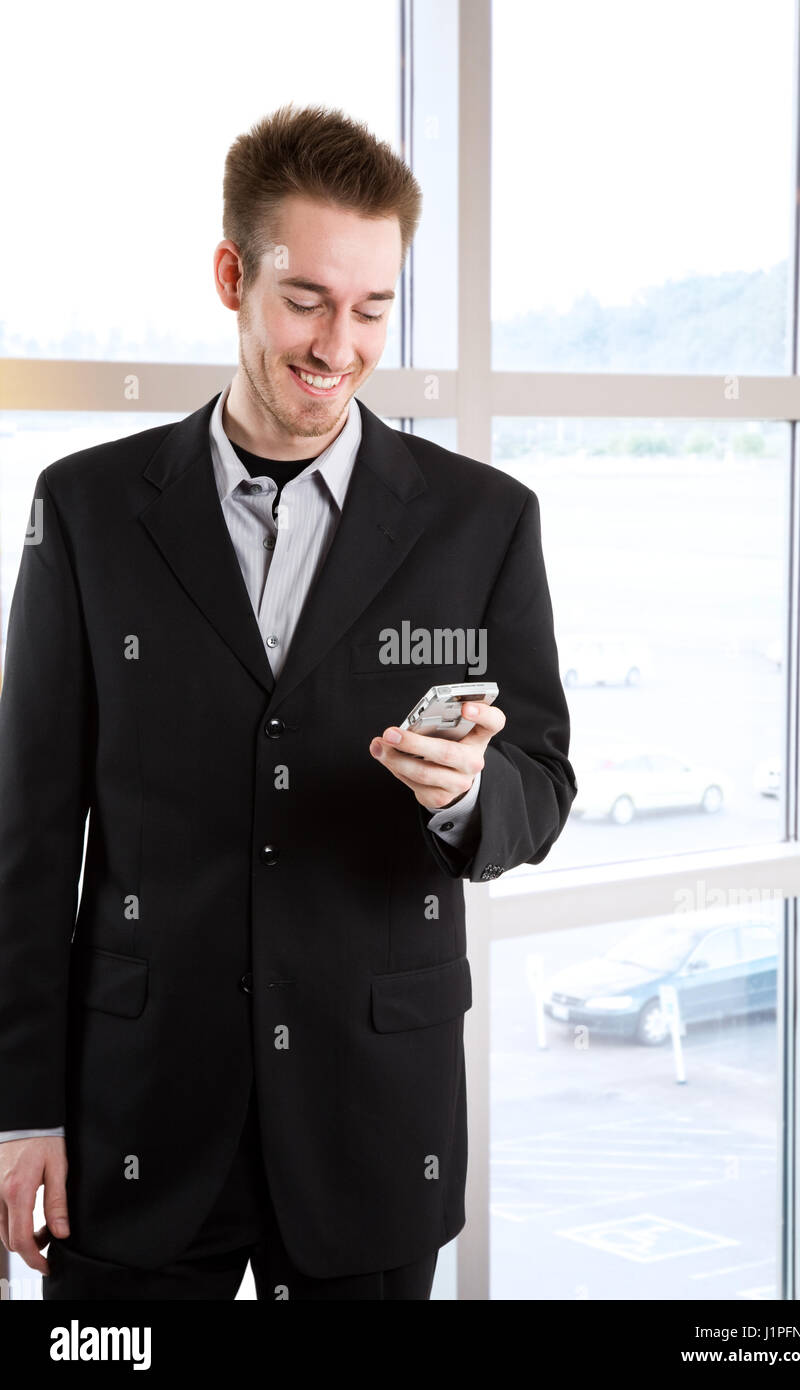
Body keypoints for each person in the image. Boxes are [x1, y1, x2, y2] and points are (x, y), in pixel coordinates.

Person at [0, 102, 576, 1300]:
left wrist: (472, 793)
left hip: (372, 1119)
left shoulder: (484, 521)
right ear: (230, 275)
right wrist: (19, 1111)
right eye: (306, 298)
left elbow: (543, 786)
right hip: (134, 1122)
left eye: (372, 307)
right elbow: (27, 835)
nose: (339, 345)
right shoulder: (87, 509)